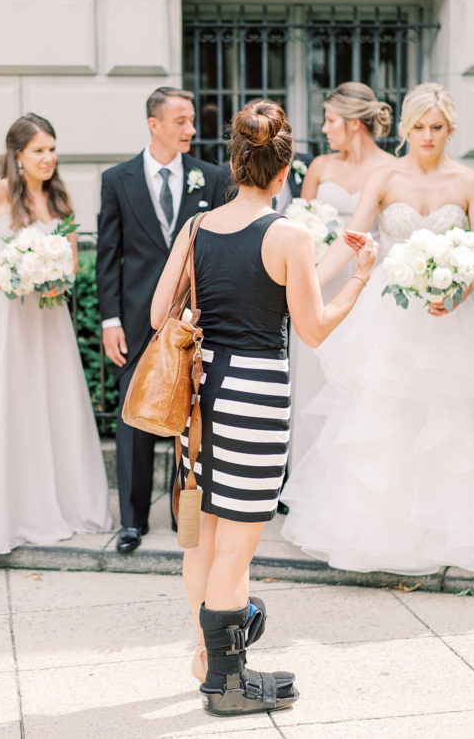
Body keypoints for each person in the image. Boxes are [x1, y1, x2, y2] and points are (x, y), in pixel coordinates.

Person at [150, 99, 377, 715]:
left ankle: (210, 657)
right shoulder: (287, 235)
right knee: (236, 547)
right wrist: (360, 275)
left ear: (233, 164)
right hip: (256, 397)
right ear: (283, 172)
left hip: (201, 396)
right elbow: (314, 328)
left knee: (205, 537)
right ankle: (226, 683)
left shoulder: (197, 228)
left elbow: (155, 315)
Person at [279, 83, 474, 574]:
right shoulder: (385, 177)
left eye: (437, 128)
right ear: (405, 128)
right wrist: (309, 282)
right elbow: (355, 237)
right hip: (387, 316)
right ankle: (381, 533)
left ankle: (441, 534)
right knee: (383, 421)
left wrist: (459, 291)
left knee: (445, 423)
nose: (428, 136)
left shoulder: (469, 182)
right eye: (419, 127)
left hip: (448, 318)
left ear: (450, 129)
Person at [96, 86, 231, 553]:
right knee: (134, 411)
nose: (191, 129)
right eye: (181, 121)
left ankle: (184, 511)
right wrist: (109, 318)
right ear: (154, 124)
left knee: (193, 411)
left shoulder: (211, 177)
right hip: (135, 318)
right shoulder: (118, 179)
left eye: (192, 120)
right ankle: (132, 521)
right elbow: (108, 255)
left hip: (195, 317)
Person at [0, 113, 112, 554]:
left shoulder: (61, 199)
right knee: (19, 404)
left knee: (55, 403)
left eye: (52, 148)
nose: (49, 158)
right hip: (14, 317)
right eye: (39, 150)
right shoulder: (3, 193)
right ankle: (21, 508)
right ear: (18, 156)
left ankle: (64, 503)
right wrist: (16, 272)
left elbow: (71, 266)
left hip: (51, 319)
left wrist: (56, 275)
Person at [288, 83, 396, 474]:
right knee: (314, 382)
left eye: (331, 120)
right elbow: (299, 226)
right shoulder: (320, 167)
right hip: (320, 284)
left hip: (370, 289)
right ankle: (304, 478)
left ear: (353, 124)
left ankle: (354, 478)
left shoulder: (391, 168)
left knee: (360, 385)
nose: (325, 128)